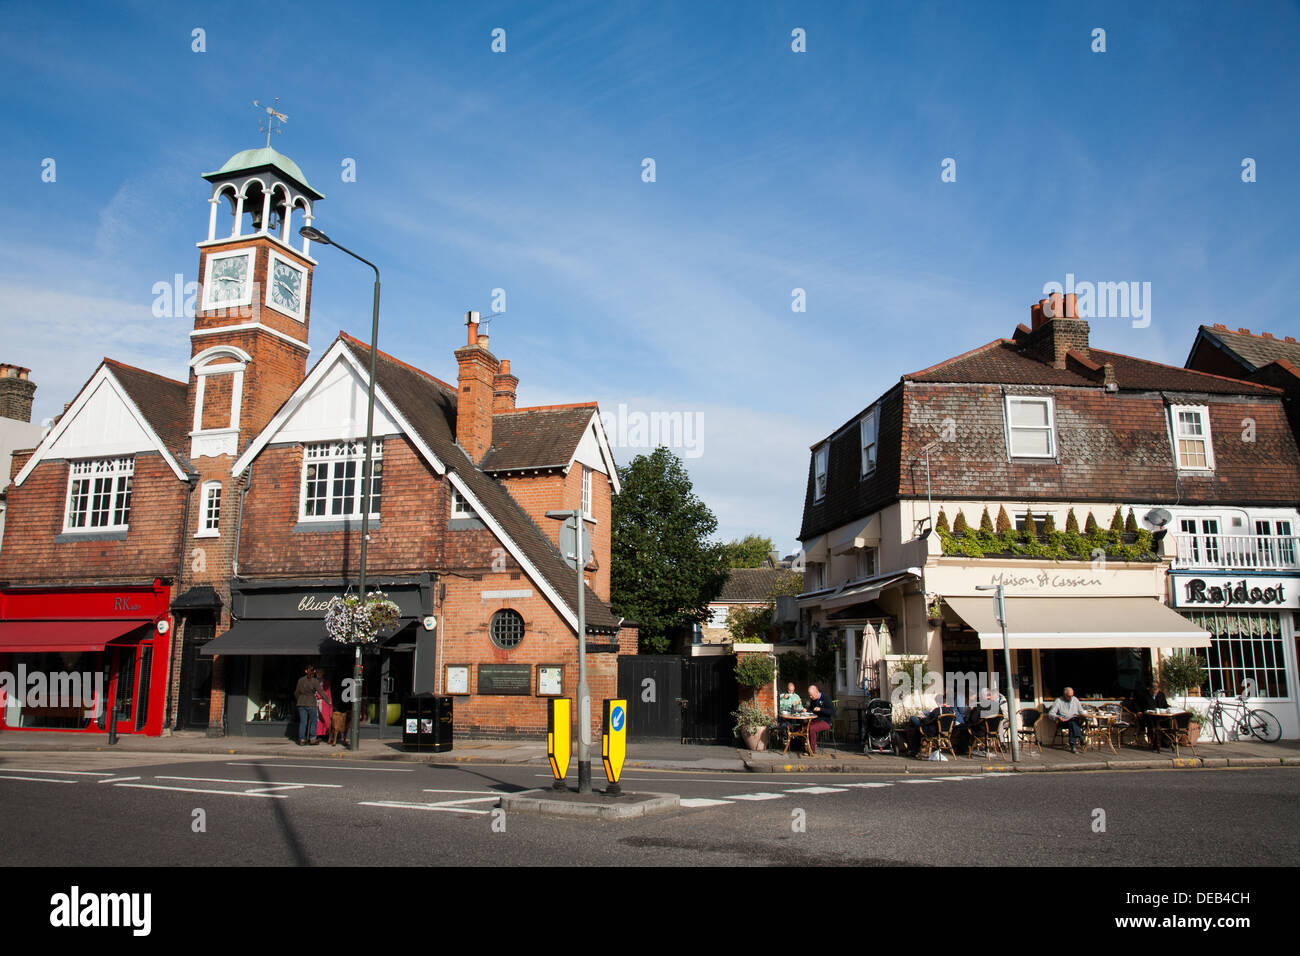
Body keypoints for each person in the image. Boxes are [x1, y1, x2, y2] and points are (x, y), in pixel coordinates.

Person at [1133, 681, 1170, 751]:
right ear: (1149, 689)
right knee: (1152, 725)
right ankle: (1155, 743)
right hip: (1147, 716)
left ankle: (1165, 741)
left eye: (1156, 691)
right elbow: (1136, 703)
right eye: (1153, 691)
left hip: (1160, 716)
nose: (1154, 693)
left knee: (1168, 722)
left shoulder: (1161, 695)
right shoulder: (1143, 695)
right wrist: (1139, 711)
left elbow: (1165, 705)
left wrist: (1168, 709)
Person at [1048, 686, 1085, 752]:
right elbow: (1050, 713)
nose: (1071, 698)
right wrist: (1058, 717)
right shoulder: (1059, 701)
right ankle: (1080, 738)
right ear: (1064, 695)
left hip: (1074, 720)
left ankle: (1073, 745)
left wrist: (1085, 714)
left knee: (1073, 722)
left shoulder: (1075, 699)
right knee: (1072, 723)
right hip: (1064, 721)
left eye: (1072, 696)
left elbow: (1081, 710)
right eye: (1069, 696)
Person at [294, 665, 322, 746]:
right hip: (311, 703)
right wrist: (328, 701)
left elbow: (296, 692)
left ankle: (302, 739)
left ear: (306, 671)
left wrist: (299, 699)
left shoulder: (300, 680)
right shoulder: (315, 681)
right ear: (314, 672)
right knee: (313, 721)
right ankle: (312, 738)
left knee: (303, 722)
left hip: (301, 703)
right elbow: (321, 692)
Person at [806, 684, 834, 753]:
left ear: (816, 692)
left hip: (826, 721)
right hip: (815, 720)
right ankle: (802, 747)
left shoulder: (826, 698)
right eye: (809, 695)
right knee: (803, 727)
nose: (810, 697)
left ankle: (811, 750)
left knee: (811, 729)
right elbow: (811, 710)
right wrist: (806, 710)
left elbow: (833, 712)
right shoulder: (813, 699)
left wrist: (821, 709)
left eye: (811, 695)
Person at [315, 671, 334, 743]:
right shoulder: (313, 681)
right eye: (317, 673)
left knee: (325, 719)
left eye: (320, 673)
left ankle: (325, 734)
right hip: (315, 701)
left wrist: (329, 702)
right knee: (316, 719)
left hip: (323, 702)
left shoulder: (326, 682)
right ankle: (317, 734)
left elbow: (328, 693)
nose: (319, 674)